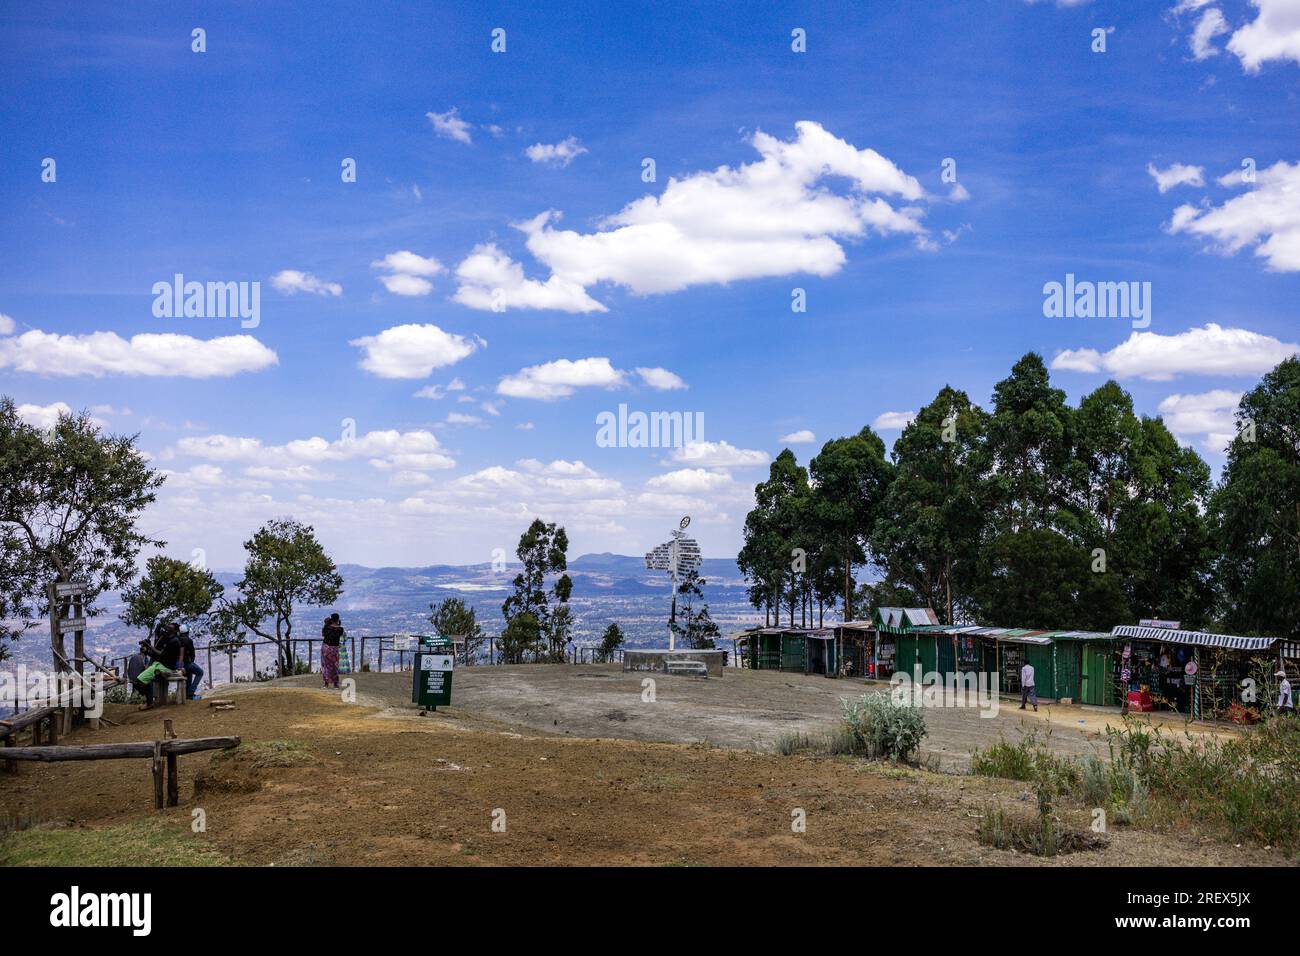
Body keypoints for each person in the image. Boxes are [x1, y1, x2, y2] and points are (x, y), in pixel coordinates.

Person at [136, 622, 183, 710]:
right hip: (160, 665)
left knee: (141, 680)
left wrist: (149, 646)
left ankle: (149, 702)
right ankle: (149, 700)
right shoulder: (169, 639)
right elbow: (159, 656)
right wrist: (148, 651)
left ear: (175, 631)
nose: (167, 629)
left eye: (170, 628)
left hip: (165, 667)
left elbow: (160, 654)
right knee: (140, 681)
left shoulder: (174, 641)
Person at [178, 623, 203, 701]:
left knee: (189, 674)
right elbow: (192, 654)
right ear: (188, 632)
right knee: (200, 672)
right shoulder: (188, 640)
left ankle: (187, 694)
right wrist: (191, 662)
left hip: (178, 664)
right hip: (186, 663)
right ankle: (190, 693)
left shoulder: (177, 639)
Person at [321, 613, 344, 689]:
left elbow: (323, 634)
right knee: (335, 666)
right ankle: (335, 684)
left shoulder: (327, 627)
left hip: (326, 648)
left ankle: (326, 683)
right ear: (337, 619)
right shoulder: (340, 629)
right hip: (334, 649)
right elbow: (339, 633)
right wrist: (339, 624)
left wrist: (326, 624)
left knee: (326, 665)